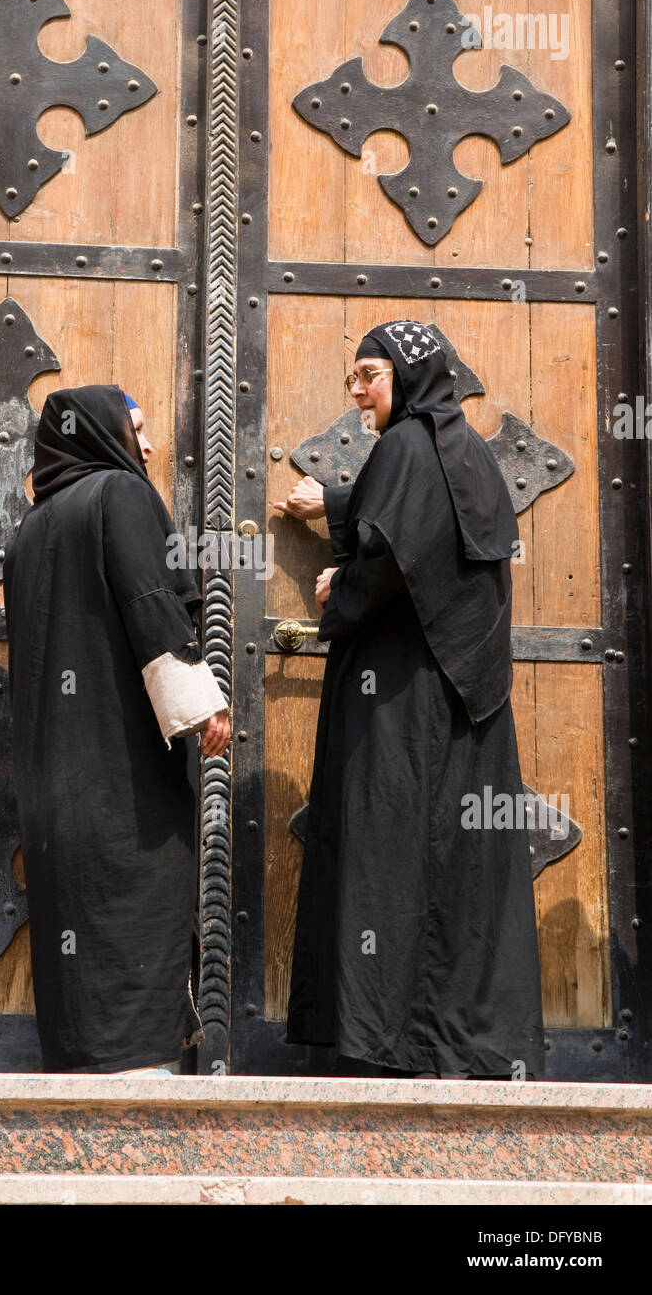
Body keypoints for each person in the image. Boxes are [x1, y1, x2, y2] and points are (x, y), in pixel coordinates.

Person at [272, 320, 545, 1080]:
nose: (356, 390)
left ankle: (382, 1042)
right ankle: (462, 1043)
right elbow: (421, 530)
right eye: (353, 376)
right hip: (458, 696)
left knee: (385, 846)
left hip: (396, 695)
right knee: (452, 862)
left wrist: (338, 593)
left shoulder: (402, 447)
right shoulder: (461, 451)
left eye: (369, 374)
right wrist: (332, 506)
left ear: (408, 377)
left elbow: (390, 550)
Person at [3, 385, 231, 1074]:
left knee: (74, 909)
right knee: (135, 896)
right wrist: (201, 704)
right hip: (118, 768)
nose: (150, 445)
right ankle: (137, 1076)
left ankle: (83, 1063)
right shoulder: (117, 495)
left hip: (52, 776)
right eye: (137, 428)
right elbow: (150, 601)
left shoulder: (31, 528)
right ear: (103, 433)